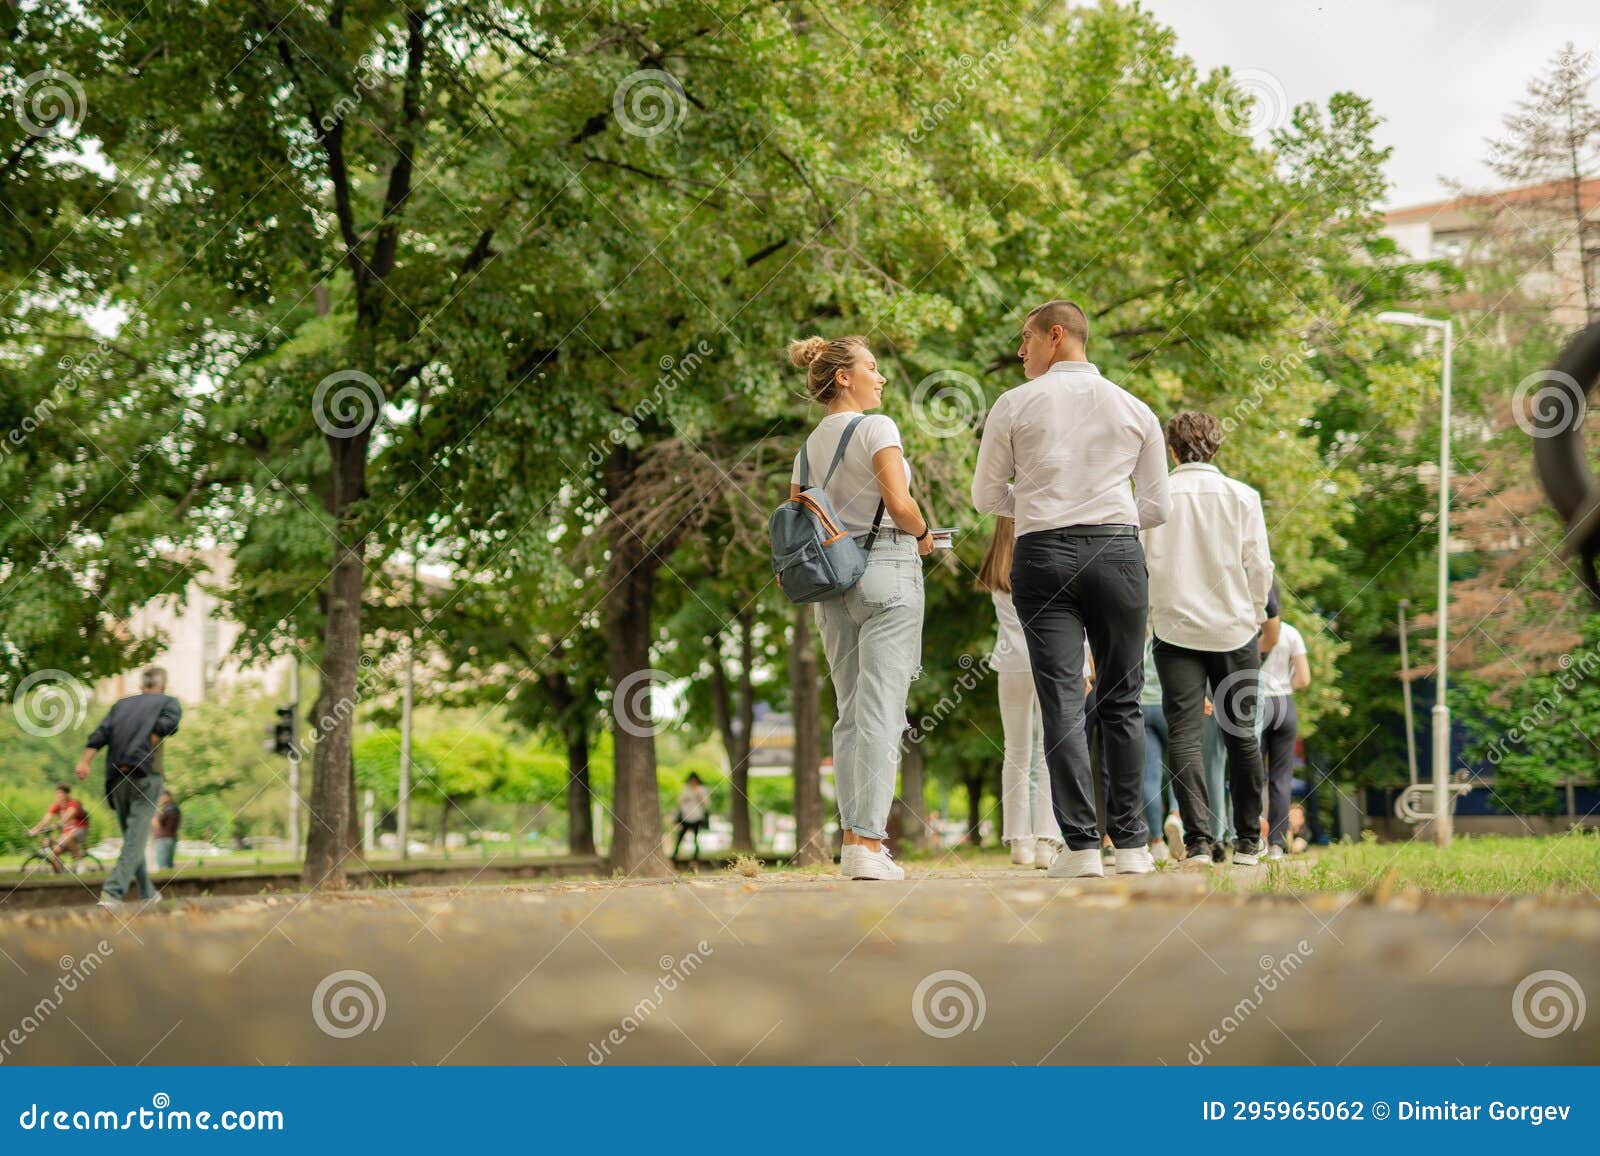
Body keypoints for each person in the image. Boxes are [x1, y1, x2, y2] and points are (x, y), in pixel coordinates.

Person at [972, 300, 1170, 879]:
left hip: (1043, 555)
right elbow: (1157, 506)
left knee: (1061, 700)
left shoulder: (1014, 404)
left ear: (1055, 335)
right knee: (1122, 699)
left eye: (1026, 338)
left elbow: (986, 497)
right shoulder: (1135, 408)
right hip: (1118, 553)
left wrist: (1041, 504)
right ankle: (1131, 847)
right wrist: (1106, 515)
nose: (1020, 350)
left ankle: (1081, 848)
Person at [789, 335, 933, 881]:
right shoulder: (878, 427)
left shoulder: (807, 448)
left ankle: (854, 840)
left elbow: (802, 519)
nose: (882, 376)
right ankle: (869, 843)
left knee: (850, 714)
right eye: (871, 367)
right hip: (887, 567)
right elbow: (899, 503)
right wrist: (923, 534)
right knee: (882, 711)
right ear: (843, 378)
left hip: (831, 579)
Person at [1143, 412, 1274, 867]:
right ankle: (1248, 841)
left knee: (1184, 736)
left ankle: (1198, 842)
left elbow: (1140, 564)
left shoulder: (1154, 498)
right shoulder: (1243, 497)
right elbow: (1259, 566)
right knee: (1241, 735)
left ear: (1171, 450)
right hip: (1234, 630)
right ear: (1216, 446)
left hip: (1174, 631)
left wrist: (1152, 616)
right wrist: (1253, 613)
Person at [977, 516, 1073, 871]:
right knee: (1049, 749)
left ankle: (1019, 840)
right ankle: (1046, 840)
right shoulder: (1047, 559)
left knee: (1015, 751)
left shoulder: (997, 566)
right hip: (1048, 659)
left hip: (1010, 662)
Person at [75, 665, 182, 906]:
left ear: (142, 685)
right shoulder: (168, 702)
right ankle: (112, 893)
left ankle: (147, 893)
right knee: (135, 840)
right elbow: (168, 725)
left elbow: (100, 734)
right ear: (163, 686)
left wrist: (84, 761)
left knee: (133, 838)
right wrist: (147, 742)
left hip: (116, 777)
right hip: (146, 777)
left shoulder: (120, 706)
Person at [1259, 618, 1311, 858]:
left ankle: (1253, 839)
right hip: (1284, 703)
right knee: (1281, 777)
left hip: (1255, 702)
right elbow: (1304, 679)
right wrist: (1283, 686)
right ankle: (1277, 844)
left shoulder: (1248, 629)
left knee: (1254, 775)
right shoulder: (1291, 633)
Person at [30, 784, 90, 869]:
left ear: (67, 794)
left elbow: (68, 816)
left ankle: (80, 863)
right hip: (66, 834)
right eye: (56, 794)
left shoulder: (74, 804)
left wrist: (57, 825)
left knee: (69, 837)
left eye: (60, 794)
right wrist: (34, 830)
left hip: (80, 830)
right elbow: (45, 820)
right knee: (53, 848)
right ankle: (60, 872)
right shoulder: (57, 806)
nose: (58, 796)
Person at [672, 773, 710, 862]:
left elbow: (706, 804)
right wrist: (686, 798)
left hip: (697, 816)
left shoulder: (702, 789)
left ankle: (696, 855)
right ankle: (675, 853)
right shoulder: (686, 789)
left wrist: (699, 795)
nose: (693, 782)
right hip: (686, 816)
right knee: (681, 836)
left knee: (695, 837)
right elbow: (679, 801)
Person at [151, 789, 182, 870]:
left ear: (167, 797)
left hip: (164, 840)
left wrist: (154, 815)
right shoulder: (174, 808)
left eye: (160, 796)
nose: (159, 799)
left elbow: (157, 824)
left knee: (163, 867)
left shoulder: (167, 809)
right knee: (168, 867)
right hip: (171, 839)